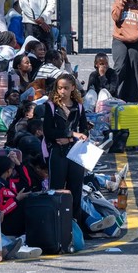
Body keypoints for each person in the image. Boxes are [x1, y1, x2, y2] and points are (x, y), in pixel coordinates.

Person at [41, 74, 101, 230]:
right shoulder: (51, 106)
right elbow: (49, 132)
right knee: (56, 190)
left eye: (66, 88)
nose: (62, 91)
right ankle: (55, 227)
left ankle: (75, 227)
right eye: (59, 88)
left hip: (75, 153)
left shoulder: (78, 106)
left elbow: (84, 132)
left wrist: (69, 139)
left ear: (73, 88)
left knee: (75, 190)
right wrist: (72, 135)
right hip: (57, 153)